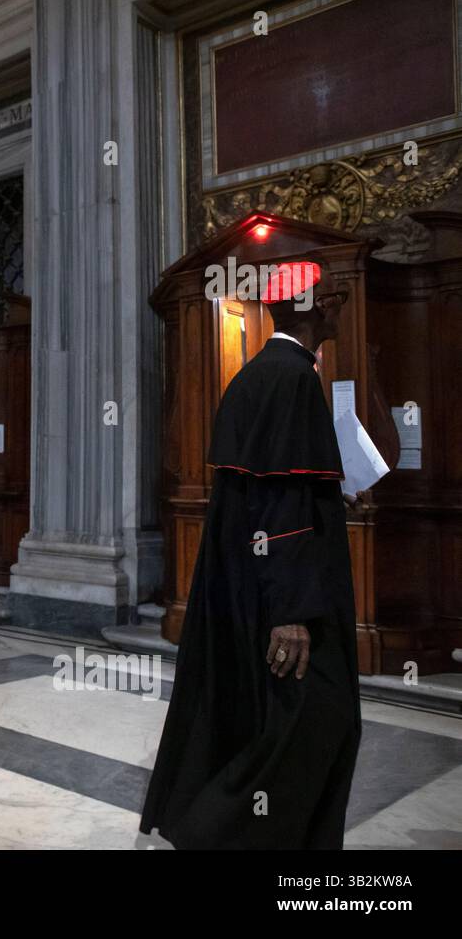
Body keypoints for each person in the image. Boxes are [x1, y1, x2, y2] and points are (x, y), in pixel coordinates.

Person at [140, 261, 362, 849]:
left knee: (275, 717)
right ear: (314, 308)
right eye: (334, 298)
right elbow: (279, 499)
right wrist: (292, 612)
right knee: (318, 718)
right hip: (285, 591)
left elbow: (273, 482)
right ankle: (219, 831)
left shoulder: (258, 372)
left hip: (251, 579)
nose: (339, 306)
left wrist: (327, 492)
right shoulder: (291, 377)